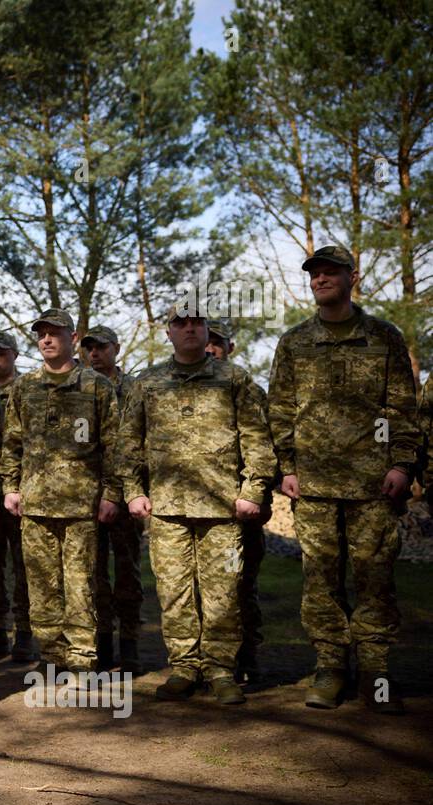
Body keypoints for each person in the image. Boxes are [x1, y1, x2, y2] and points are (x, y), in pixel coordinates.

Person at [267, 245, 420, 714]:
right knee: (321, 580)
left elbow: (401, 409)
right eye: (315, 274)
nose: (320, 280)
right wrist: (287, 467)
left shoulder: (383, 337)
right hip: (312, 486)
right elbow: (280, 410)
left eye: (330, 272)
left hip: (373, 484)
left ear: (352, 278)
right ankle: (331, 667)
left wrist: (401, 464)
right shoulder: (295, 342)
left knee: (375, 579)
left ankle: (375, 673)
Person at [116, 308, 276, 704]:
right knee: (174, 593)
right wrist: (134, 491)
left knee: (224, 592)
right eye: (180, 324)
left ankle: (221, 669)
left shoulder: (233, 379)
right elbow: (128, 444)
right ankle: (185, 666)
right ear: (168, 332)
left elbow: (257, 439)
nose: (189, 329)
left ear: (206, 332)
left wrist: (252, 491)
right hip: (168, 510)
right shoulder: (147, 383)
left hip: (223, 509)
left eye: (196, 323)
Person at [0, 307, 122, 674]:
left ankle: (83, 659)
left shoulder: (96, 386)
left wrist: (112, 493)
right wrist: (10, 487)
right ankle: (52, 657)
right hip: (35, 505)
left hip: (81, 506)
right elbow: (12, 442)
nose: (47, 339)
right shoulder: (25, 386)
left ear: (73, 337)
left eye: (55, 332)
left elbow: (114, 445)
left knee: (81, 586)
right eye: (41, 334)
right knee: (42, 587)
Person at [205, 320, 273, 683]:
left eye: (218, 343)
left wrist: (256, 496)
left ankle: (245, 657)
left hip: (239, 513)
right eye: (208, 342)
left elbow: (263, 446)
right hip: (200, 511)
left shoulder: (246, 387)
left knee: (240, 585)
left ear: (230, 348)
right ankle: (205, 660)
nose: (210, 349)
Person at [78, 324, 144, 672]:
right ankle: (102, 642)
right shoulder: (81, 387)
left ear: (116, 348)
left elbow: (137, 442)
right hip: (88, 496)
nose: (94, 353)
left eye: (101, 347)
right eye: (89, 348)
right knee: (93, 573)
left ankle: (130, 643)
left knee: (128, 573)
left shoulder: (134, 387)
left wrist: (127, 491)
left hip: (126, 495)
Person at [0, 331, 35, 662]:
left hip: (21, 491)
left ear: (14, 354)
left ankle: (25, 632)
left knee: (24, 564)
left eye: (0, 353)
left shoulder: (28, 390)